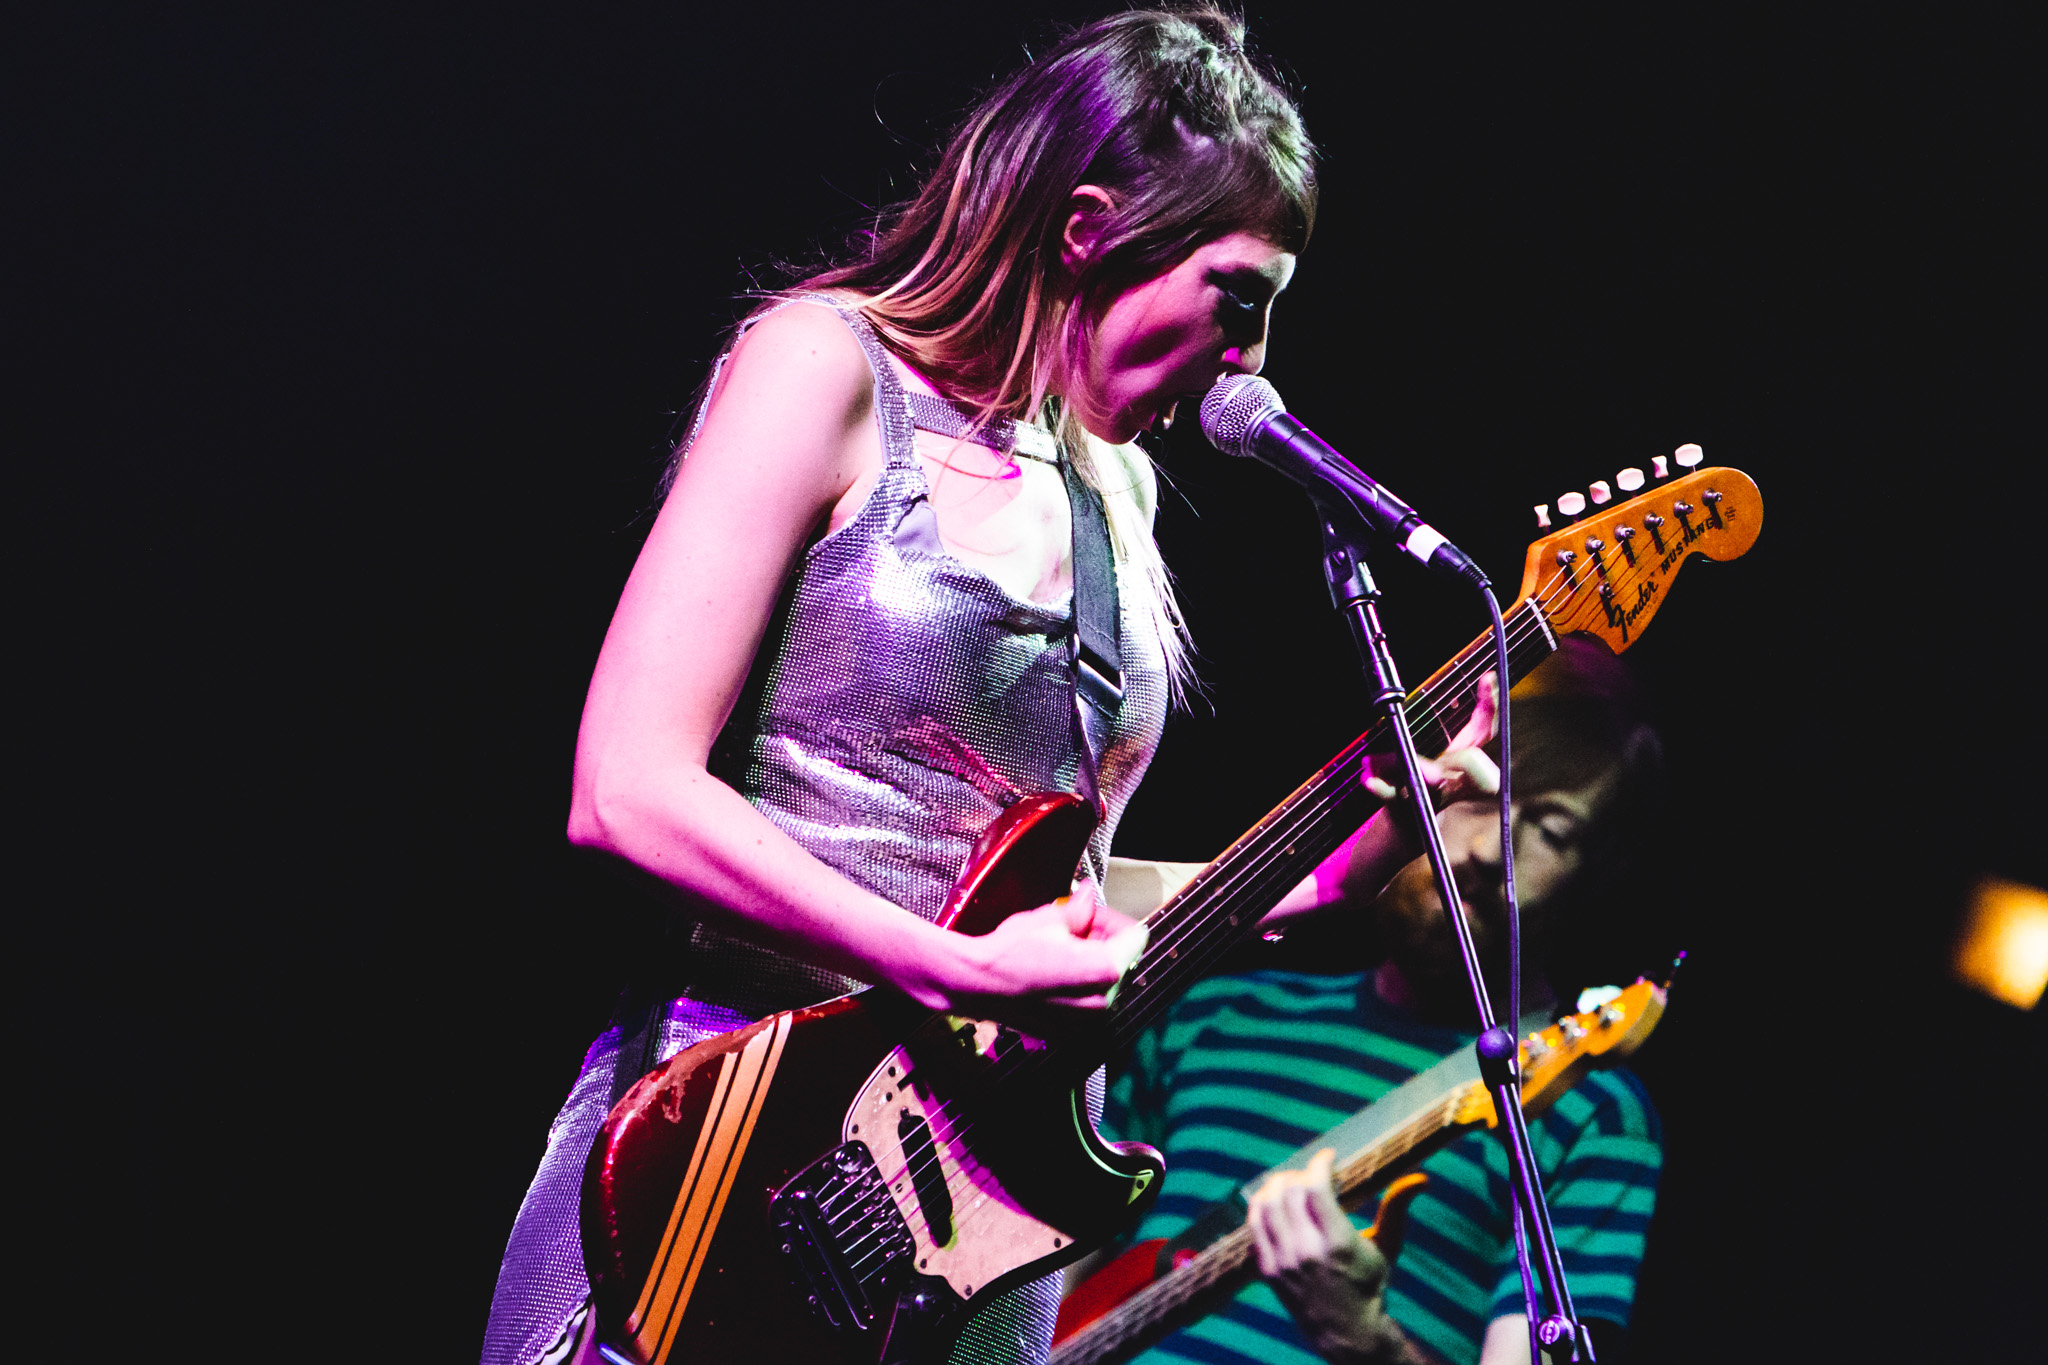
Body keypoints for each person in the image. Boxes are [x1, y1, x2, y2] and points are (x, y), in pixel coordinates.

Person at [479, 10, 1500, 1365]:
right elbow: (625, 787)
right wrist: (954, 968)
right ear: (1087, 229)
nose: (1249, 360)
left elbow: (1064, 901)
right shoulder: (825, 367)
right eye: (1237, 297)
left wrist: (1338, 859)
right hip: (727, 1147)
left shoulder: (1115, 488)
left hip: (972, 1223)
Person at [1099, 638, 1668, 1365]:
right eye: (1480, 790)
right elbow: (1048, 1279)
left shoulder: (1592, 1110)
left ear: (1597, 878)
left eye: (1552, 829)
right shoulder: (1209, 1016)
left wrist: (1366, 1344)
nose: (1489, 849)